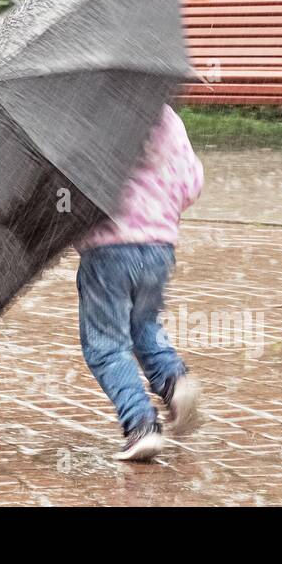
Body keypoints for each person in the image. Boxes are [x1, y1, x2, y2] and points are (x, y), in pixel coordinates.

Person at [73, 103, 204, 461]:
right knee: (143, 325)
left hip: (107, 250)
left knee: (105, 345)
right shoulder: (166, 117)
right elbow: (192, 184)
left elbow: (70, 190)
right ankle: (174, 382)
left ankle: (140, 423)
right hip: (159, 248)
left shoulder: (84, 120)